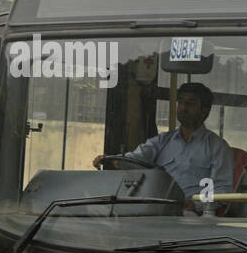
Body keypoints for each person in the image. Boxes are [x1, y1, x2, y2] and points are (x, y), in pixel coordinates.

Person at [94, 82, 234, 213]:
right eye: (181, 102)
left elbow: (222, 191)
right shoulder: (163, 140)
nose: (183, 108)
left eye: (190, 103)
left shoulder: (218, 147)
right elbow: (137, 158)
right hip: (153, 208)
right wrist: (114, 160)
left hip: (188, 215)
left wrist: (195, 204)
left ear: (205, 111)